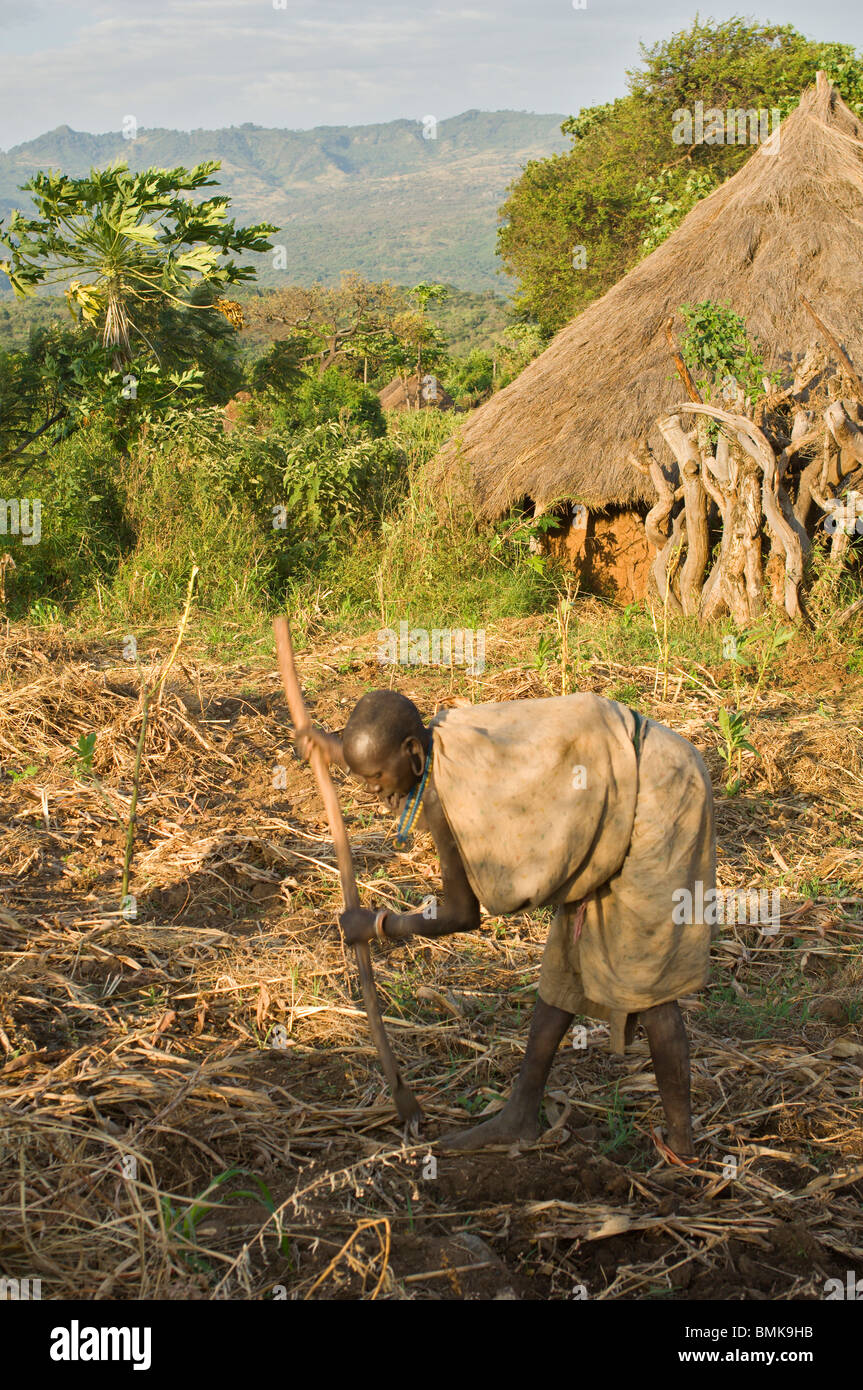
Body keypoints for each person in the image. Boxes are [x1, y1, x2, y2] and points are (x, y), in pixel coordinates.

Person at [297, 688, 715, 1160]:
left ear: (413, 752)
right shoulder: (436, 741)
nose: (370, 788)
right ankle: (521, 1114)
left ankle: (684, 1146)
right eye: (361, 777)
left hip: (658, 787)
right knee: (564, 965)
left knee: (647, 976)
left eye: (375, 775)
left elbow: (460, 913)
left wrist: (380, 925)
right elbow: (381, 747)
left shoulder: (448, 793)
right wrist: (332, 748)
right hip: (610, 782)